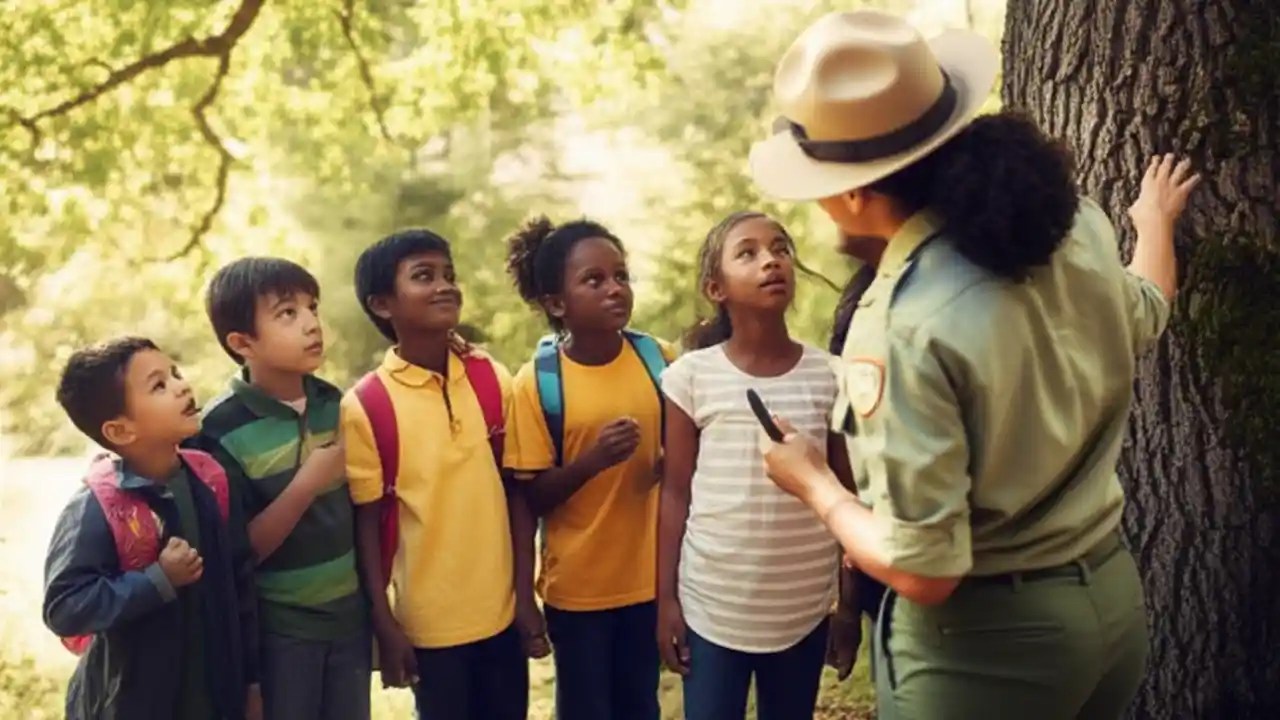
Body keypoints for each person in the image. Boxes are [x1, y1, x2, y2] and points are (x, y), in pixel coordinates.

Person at [747, 9, 1199, 720]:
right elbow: (1147, 306)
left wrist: (814, 486)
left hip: (988, 651)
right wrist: (1156, 225)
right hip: (1110, 608)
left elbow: (924, 570)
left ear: (854, 194)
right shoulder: (1072, 225)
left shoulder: (901, 328)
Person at [655, 211, 861, 720]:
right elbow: (675, 492)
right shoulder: (690, 378)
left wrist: (849, 606)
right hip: (712, 606)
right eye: (747, 253)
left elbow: (847, 495)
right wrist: (666, 602)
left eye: (780, 248)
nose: (771, 260)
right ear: (715, 287)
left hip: (804, 609)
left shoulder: (831, 376)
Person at [342, 230, 532, 720]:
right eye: (424, 276)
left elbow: (515, 493)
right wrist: (384, 624)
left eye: (449, 274)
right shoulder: (367, 405)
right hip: (429, 627)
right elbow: (368, 523)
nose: (445, 286)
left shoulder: (490, 376)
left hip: (503, 614)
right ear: (383, 304)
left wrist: (525, 598)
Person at [503, 216, 674, 720]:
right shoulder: (537, 383)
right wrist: (594, 461)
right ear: (557, 304)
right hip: (578, 595)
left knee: (640, 706)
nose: (614, 289)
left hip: (650, 584)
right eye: (594, 280)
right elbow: (530, 498)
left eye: (621, 276)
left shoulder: (659, 360)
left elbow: (686, 460)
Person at [44, 337, 260, 720]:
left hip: (214, 695)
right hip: (132, 703)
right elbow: (65, 607)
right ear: (121, 431)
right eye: (159, 385)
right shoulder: (99, 505)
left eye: (175, 373)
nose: (182, 386)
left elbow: (239, 581)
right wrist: (156, 580)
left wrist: (251, 682)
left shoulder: (209, 480)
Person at [192, 257, 369, 720]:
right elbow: (240, 549)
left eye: (312, 307)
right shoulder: (218, 429)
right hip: (281, 632)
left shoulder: (334, 403)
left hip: (349, 621)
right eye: (288, 313)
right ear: (242, 342)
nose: (312, 323)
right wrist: (309, 481)